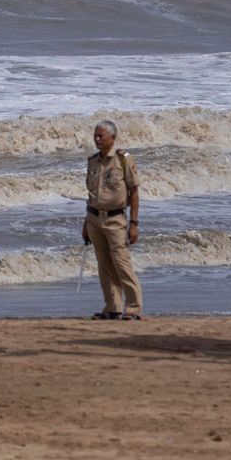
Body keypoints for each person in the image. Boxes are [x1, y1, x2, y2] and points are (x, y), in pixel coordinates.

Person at [81, 120, 143, 320]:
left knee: (121, 263)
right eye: (95, 136)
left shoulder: (123, 160)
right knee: (104, 266)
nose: (97, 139)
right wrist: (86, 224)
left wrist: (134, 224)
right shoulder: (92, 161)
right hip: (94, 219)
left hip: (116, 219)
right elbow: (91, 195)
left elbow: (134, 193)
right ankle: (113, 307)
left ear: (113, 138)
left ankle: (133, 308)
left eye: (102, 136)